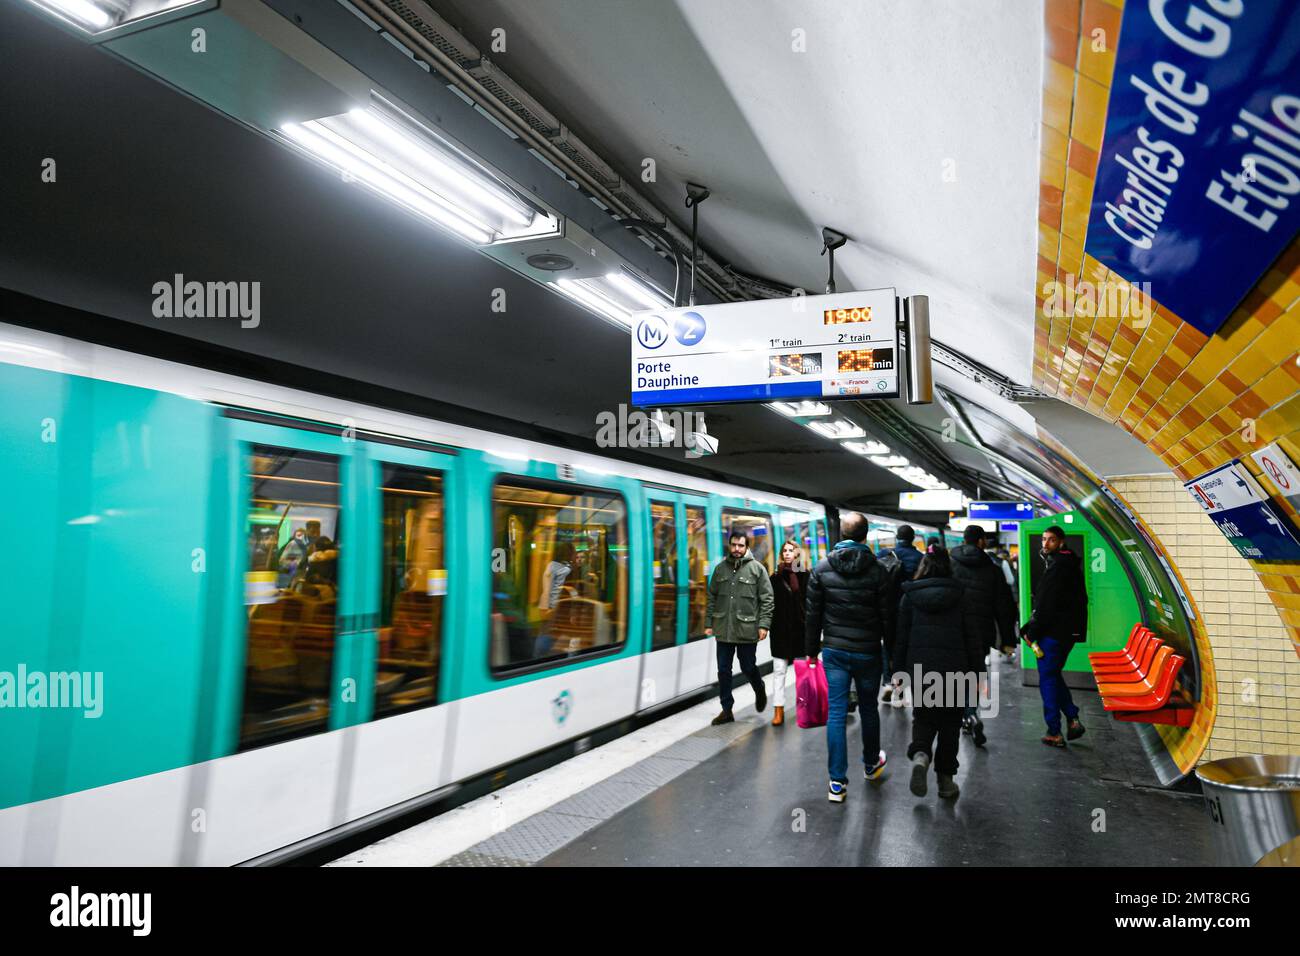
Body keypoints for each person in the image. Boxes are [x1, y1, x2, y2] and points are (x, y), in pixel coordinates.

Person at [804, 512, 893, 803]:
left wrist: (810, 652)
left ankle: (837, 783)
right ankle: (870, 764)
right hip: (868, 651)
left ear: (841, 534)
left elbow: (813, 616)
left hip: (835, 652)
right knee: (869, 707)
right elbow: (887, 617)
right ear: (865, 536)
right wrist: (889, 653)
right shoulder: (880, 571)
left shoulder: (821, 568)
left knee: (837, 713)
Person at [896, 550, 983, 799]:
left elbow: (900, 639)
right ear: (949, 568)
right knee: (949, 725)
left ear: (923, 567)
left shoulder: (909, 597)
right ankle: (945, 782)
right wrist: (978, 673)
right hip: (955, 668)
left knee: (923, 718)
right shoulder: (961, 596)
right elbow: (972, 638)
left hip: (921, 669)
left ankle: (921, 755)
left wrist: (898, 673)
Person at [949, 524, 1018, 747]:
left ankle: (958, 713)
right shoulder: (993, 569)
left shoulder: (950, 565)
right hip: (980, 632)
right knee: (976, 673)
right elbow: (1004, 608)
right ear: (981, 542)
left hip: (954, 630)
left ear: (963, 540)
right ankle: (971, 712)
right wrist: (1007, 639)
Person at [1022, 525, 1088, 747]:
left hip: (1053, 634)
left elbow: (1045, 605)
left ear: (1061, 542)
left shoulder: (1057, 567)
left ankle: (1054, 731)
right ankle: (1072, 718)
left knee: (1048, 679)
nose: (1045, 544)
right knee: (1053, 674)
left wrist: (1031, 632)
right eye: (1043, 539)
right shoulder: (1069, 565)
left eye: (1051, 540)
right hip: (1067, 633)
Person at [705, 532, 774, 725]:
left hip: (747, 629)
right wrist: (709, 623)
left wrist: (764, 625)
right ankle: (726, 710)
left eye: (740, 546)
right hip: (723, 629)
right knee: (723, 670)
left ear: (746, 547)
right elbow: (712, 597)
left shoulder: (757, 569)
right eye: (734, 545)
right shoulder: (720, 570)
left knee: (748, 666)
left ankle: (759, 687)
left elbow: (767, 599)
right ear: (729, 545)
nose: (737, 549)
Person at [878, 525, 923, 705]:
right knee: (905, 648)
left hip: (888, 610)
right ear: (913, 539)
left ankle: (888, 681)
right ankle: (901, 687)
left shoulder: (886, 556)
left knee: (887, 646)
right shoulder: (920, 558)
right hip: (910, 610)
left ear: (897, 537)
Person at [768, 540, 809, 726]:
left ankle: (803, 709)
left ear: (797, 554)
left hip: (800, 631)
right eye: (784, 550)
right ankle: (778, 711)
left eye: (791, 550)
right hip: (780, 631)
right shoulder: (774, 578)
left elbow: (811, 603)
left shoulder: (806, 576)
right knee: (779, 672)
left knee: (801, 674)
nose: (787, 553)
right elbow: (768, 604)